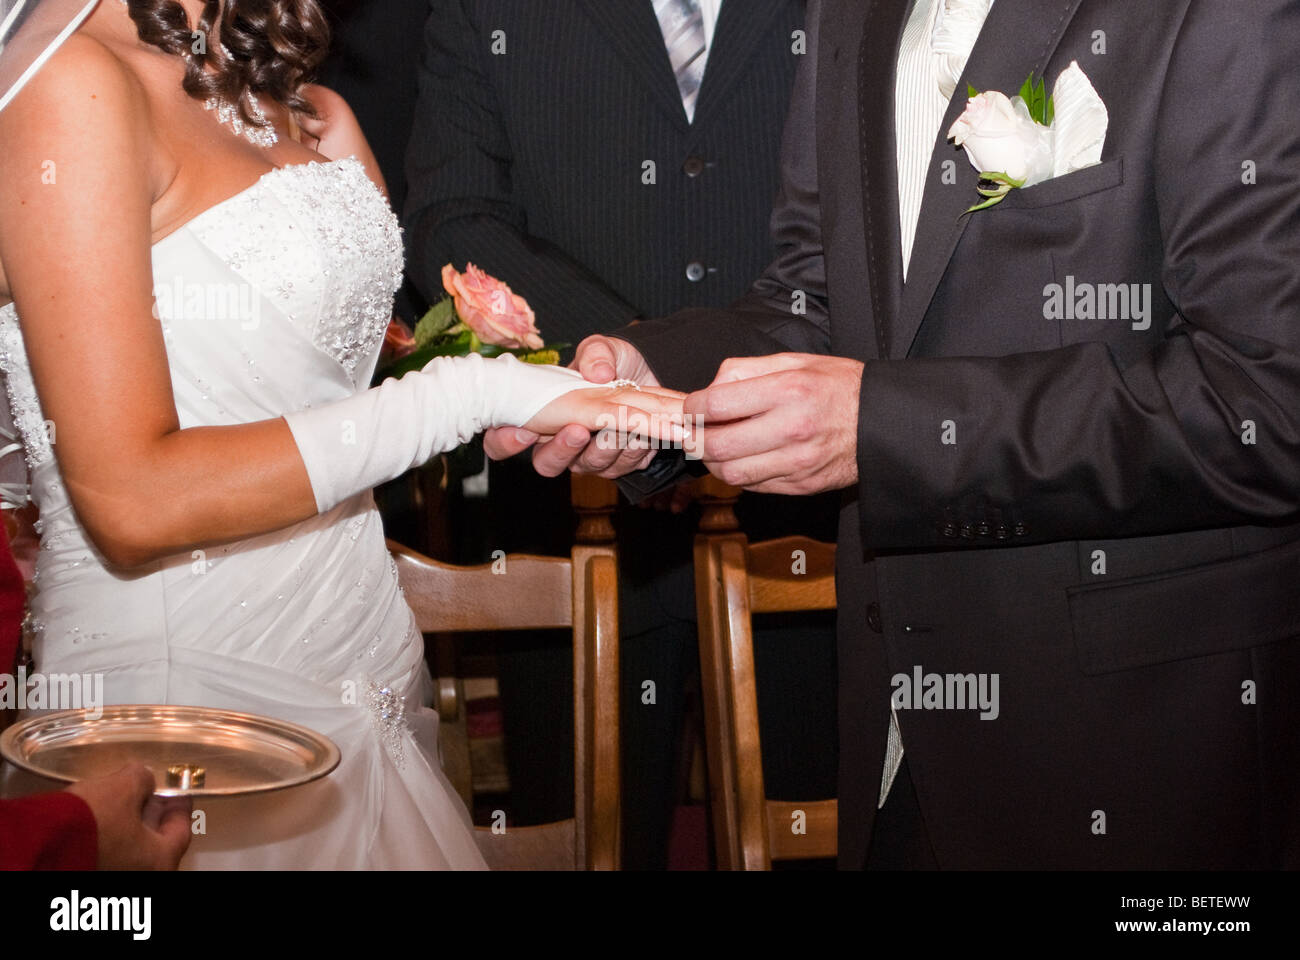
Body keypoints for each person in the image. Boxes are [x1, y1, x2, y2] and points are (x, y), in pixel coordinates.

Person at [494, 0, 1300, 868]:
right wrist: (656, 384)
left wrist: (886, 428)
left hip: (1138, 745)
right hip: (891, 723)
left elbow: (1267, 400)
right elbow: (819, 295)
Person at [0, 0, 679, 868]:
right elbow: (132, 501)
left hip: (362, 650)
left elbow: (329, 401)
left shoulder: (315, 112)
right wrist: (474, 390)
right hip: (192, 700)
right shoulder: (71, 84)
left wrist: (559, 397)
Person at [404, 0, 838, 866]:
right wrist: (630, 385)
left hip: (808, 516)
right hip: (569, 517)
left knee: (816, 838)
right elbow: (454, 222)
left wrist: (684, 377)